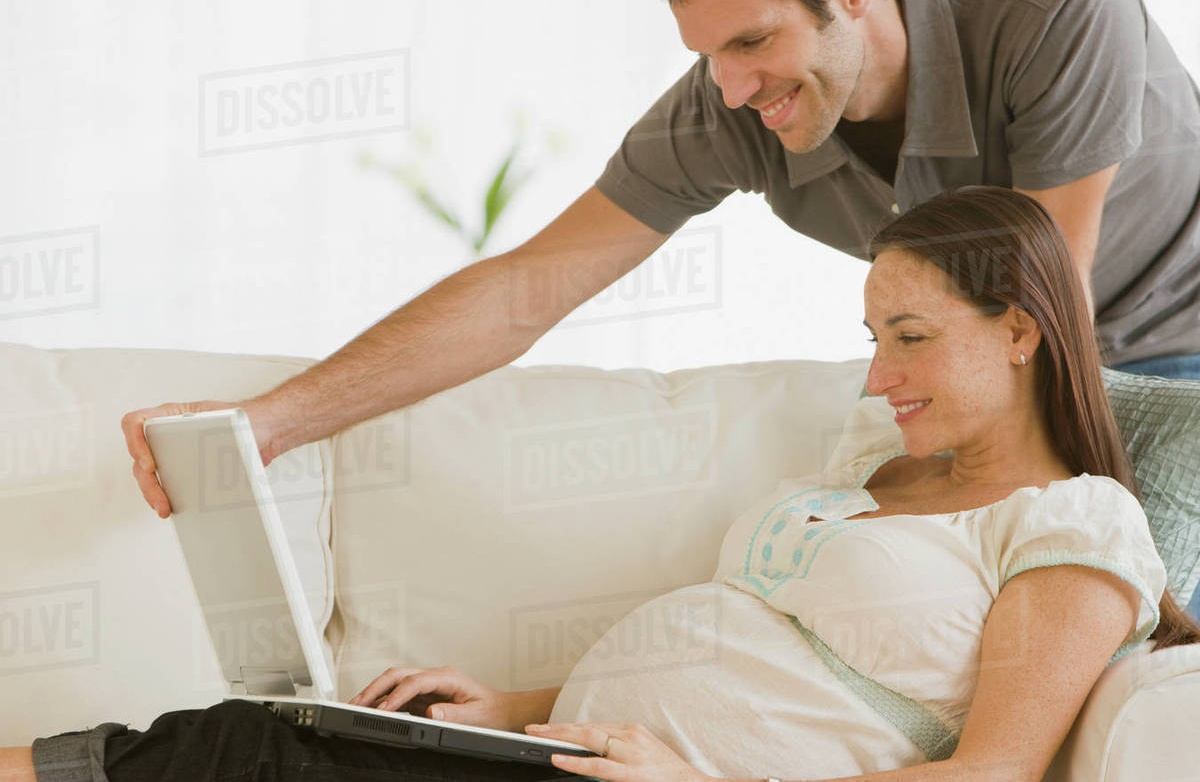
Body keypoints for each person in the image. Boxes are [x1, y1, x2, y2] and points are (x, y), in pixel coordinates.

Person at [120, 0, 1200, 613]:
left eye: (752, 44)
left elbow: (1043, 296)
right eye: (707, 53)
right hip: (1017, 361)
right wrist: (269, 424)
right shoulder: (737, 104)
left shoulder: (1053, 7)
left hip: (1159, 344)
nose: (730, 90)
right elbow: (526, 288)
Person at [13, 187, 1200, 782]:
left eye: (909, 337)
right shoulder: (868, 464)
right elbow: (737, 646)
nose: (877, 372)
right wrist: (510, 707)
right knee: (273, 735)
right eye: (870, 337)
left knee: (244, 756)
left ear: (1023, 333)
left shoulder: (1074, 528)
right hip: (568, 758)